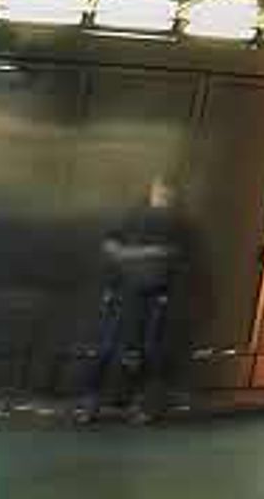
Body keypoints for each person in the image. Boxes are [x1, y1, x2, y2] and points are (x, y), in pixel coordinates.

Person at [76, 179, 190, 423]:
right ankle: (91, 402)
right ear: (151, 192)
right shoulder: (133, 219)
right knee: (109, 346)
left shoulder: (175, 225)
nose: (163, 197)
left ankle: (137, 404)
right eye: (160, 191)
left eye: (167, 193)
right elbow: (112, 247)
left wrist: (131, 256)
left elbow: (169, 256)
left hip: (153, 294)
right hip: (127, 292)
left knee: (145, 350)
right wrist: (125, 267)